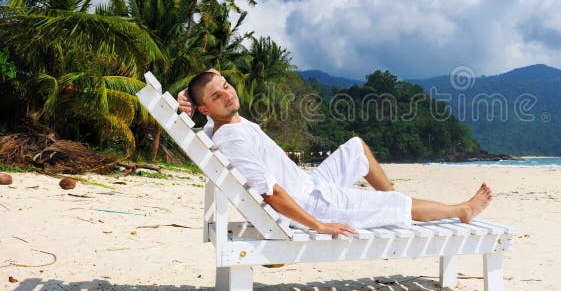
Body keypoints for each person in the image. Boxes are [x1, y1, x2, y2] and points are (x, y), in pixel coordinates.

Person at [178, 70, 492, 236]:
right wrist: (319, 225)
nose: (227, 94)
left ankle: (391, 205)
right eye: (217, 96)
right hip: (313, 205)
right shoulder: (231, 137)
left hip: (310, 185)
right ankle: (459, 210)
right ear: (206, 107)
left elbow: (211, 74)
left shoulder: (221, 122)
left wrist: (187, 94)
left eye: (227, 86)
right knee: (394, 203)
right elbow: (271, 194)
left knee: (356, 149)